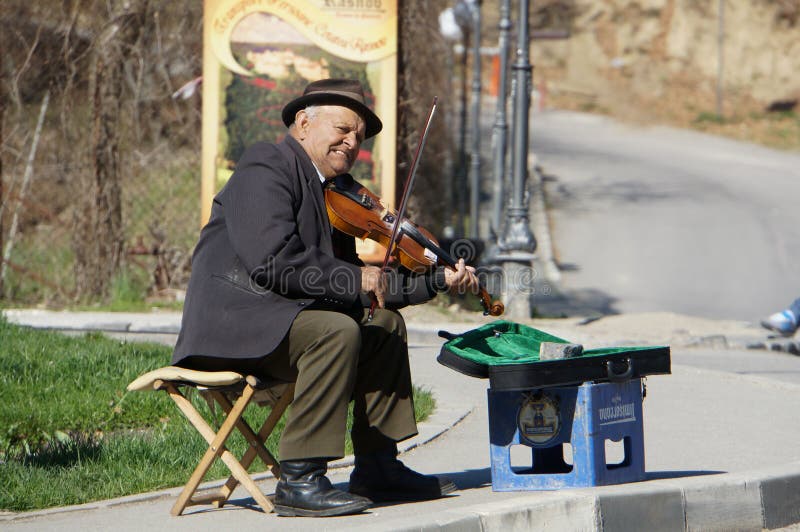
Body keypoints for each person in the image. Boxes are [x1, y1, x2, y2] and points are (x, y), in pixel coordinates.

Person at [171, 79, 479, 518]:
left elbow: (362, 288)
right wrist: (356, 279)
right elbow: (272, 261)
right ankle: (299, 478)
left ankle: (377, 465)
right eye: (342, 128)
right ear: (303, 122)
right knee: (334, 329)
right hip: (236, 322)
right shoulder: (266, 166)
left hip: (284, 320)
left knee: (384, 326)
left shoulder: (336, 193)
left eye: (358, 136)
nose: (351, 142)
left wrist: (437, 282)